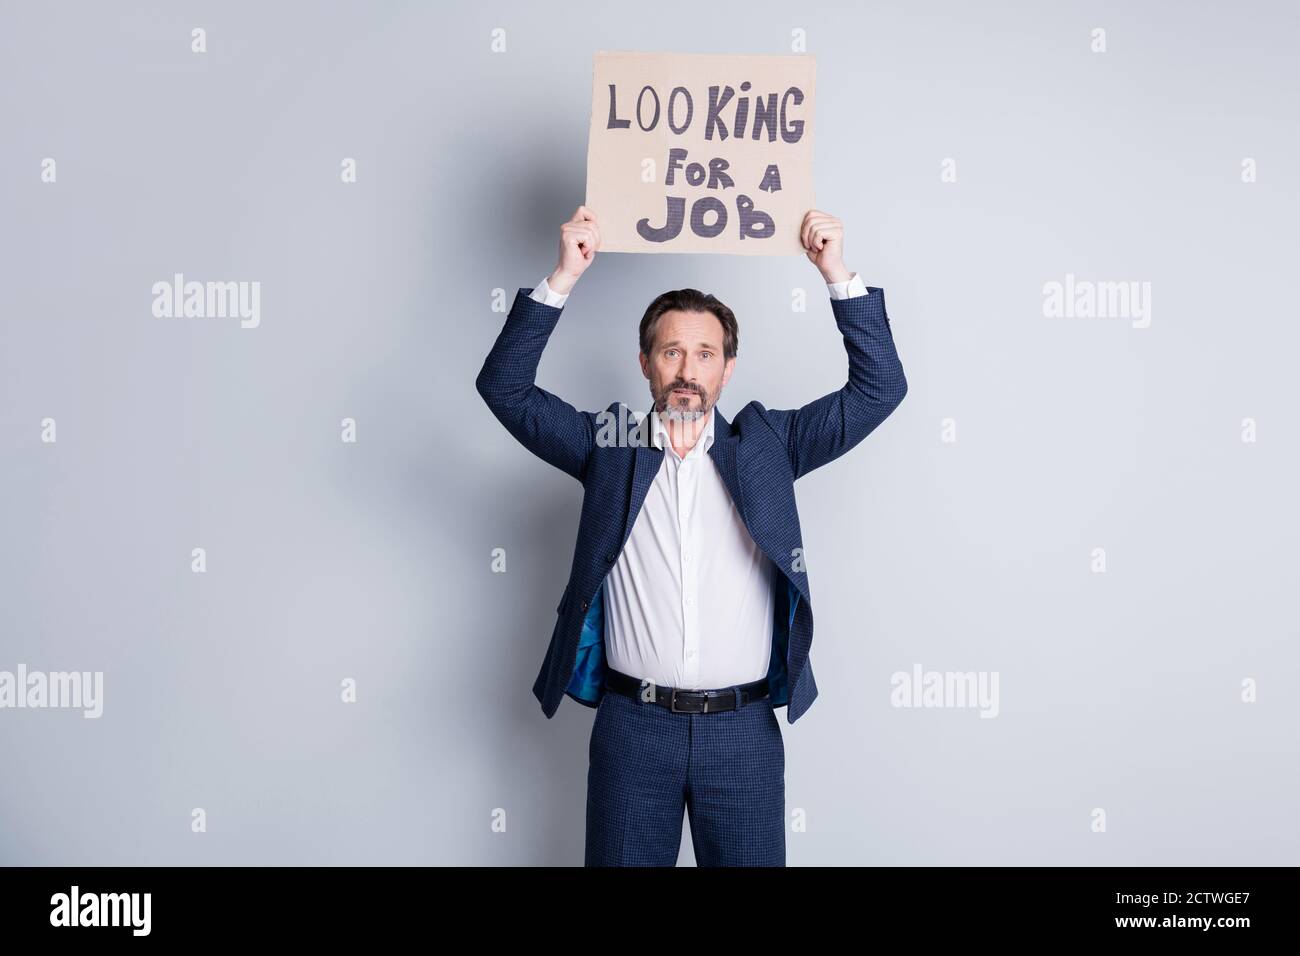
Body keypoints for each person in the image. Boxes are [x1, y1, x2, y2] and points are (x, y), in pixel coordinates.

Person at [475, 205, 908, 865]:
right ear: (645, 363)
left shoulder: (769, 444)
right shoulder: (608, 445)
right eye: (671, 352)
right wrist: (563, 277)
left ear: (726, 369)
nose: (687, 369)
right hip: (632, 730)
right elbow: (504, 388)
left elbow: (879, 390)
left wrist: (835, 271)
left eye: (705, 354)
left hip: (743, 734)